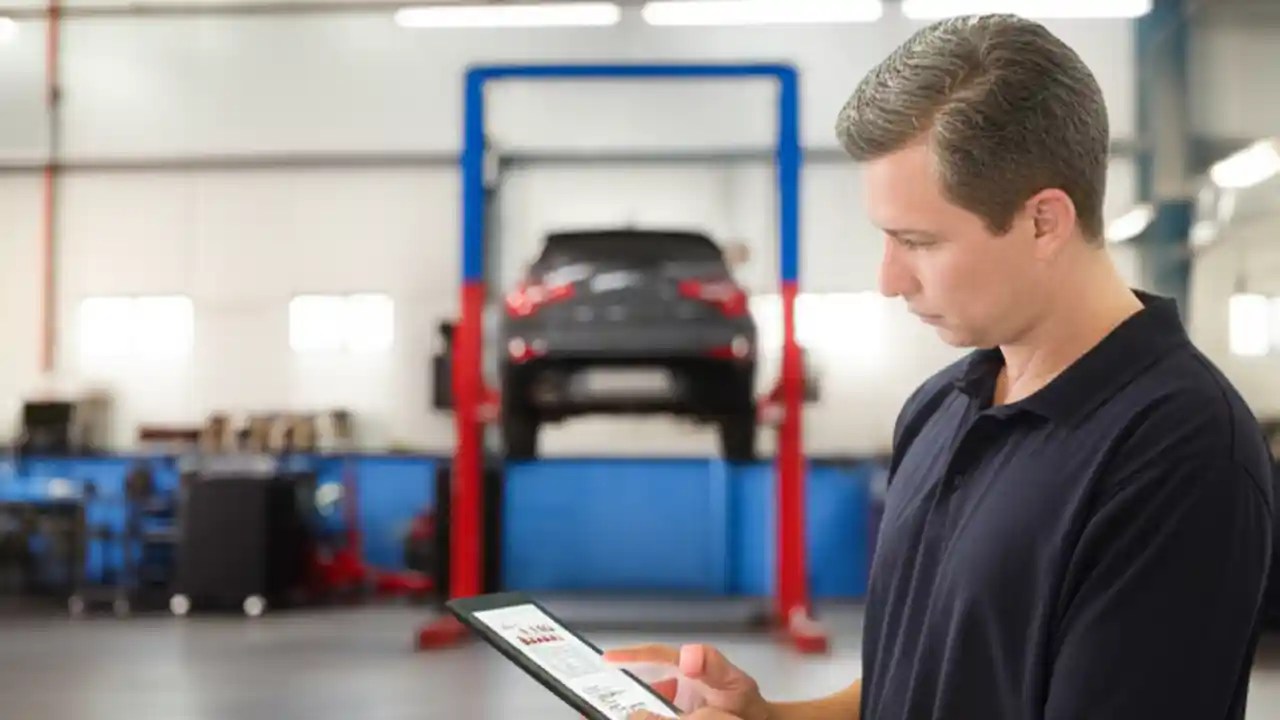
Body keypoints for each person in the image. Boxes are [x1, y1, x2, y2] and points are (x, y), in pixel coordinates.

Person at [616, 13, 1275, 720]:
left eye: (918, 241)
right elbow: (922, 680)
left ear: (1042, 222)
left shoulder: (1176, 451)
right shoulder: (943, 405)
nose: (889, 279)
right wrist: (772, 718)